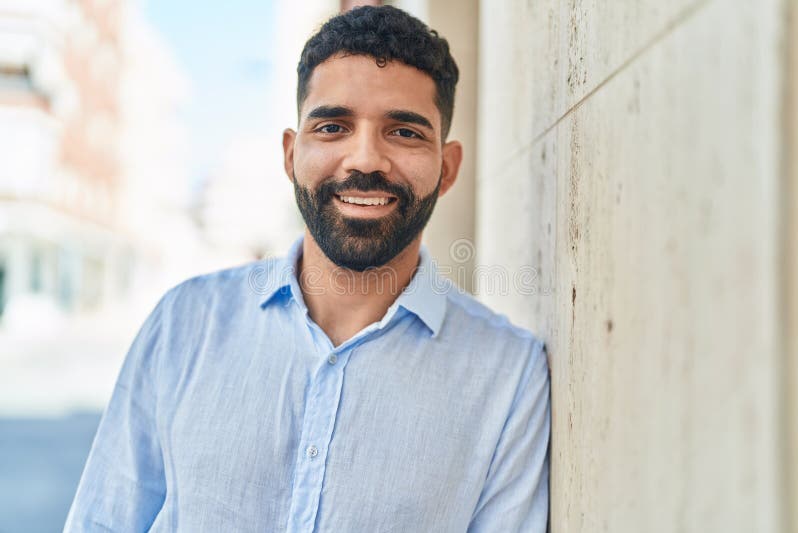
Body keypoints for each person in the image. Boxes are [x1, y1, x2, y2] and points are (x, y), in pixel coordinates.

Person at [65, 5, 550, 532]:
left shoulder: (509, 376)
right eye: (334, 126)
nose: (365, 159)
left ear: (448, 167)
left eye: (404, 132)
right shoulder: (185, 324)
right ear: (291, 154)